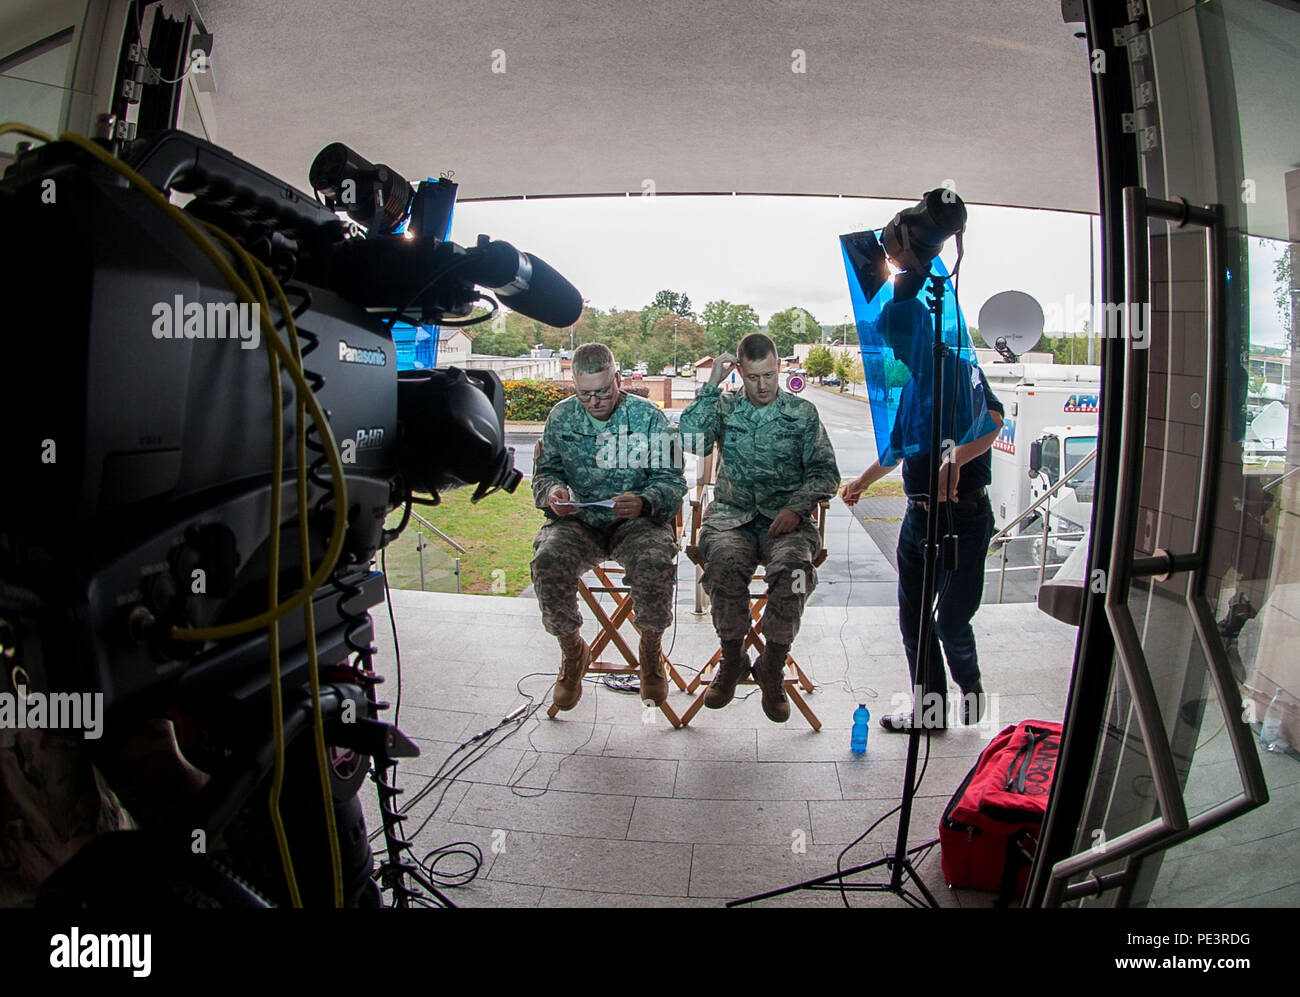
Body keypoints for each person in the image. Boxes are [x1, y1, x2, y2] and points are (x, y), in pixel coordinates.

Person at [841, 297, 1004, 731]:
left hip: (963, 517)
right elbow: (896, 450)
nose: (893, 352)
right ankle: (929, 714)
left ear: (919, 333)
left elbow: (992, 419)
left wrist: (956, 458)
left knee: (950, 619)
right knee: (914, 622)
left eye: (897, 341)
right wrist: (861, 483)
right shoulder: (912, 385)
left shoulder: (958, 369)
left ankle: (970, 685)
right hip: (917, 519)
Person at [679, 333, 840, 722]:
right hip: (732, 518)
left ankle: (772, 661)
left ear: (779, 367)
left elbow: (826, 474)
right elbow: (688, 440)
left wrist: (798, 507)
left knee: (796, 573)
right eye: (753, 377)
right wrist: (710, 385)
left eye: (769, 375)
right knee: (721, 564)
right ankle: (732, 657)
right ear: (740, 372)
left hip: (786, 524)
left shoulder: (802, 414)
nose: (763, 385)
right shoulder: (726, 408)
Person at [531, 343, 687, 710]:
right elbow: (546, 472)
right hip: (579, 522)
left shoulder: (649, 418)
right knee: (547, 560)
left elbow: (672, 480)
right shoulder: (561, 417)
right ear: (574, 385)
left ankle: (650, 652)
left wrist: (646, 500)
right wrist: (553, 492)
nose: (595, 400)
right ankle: (573, 652)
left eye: (604, 391)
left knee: (655, 561)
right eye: (585, 393)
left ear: (619, 379)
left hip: (635, 523)